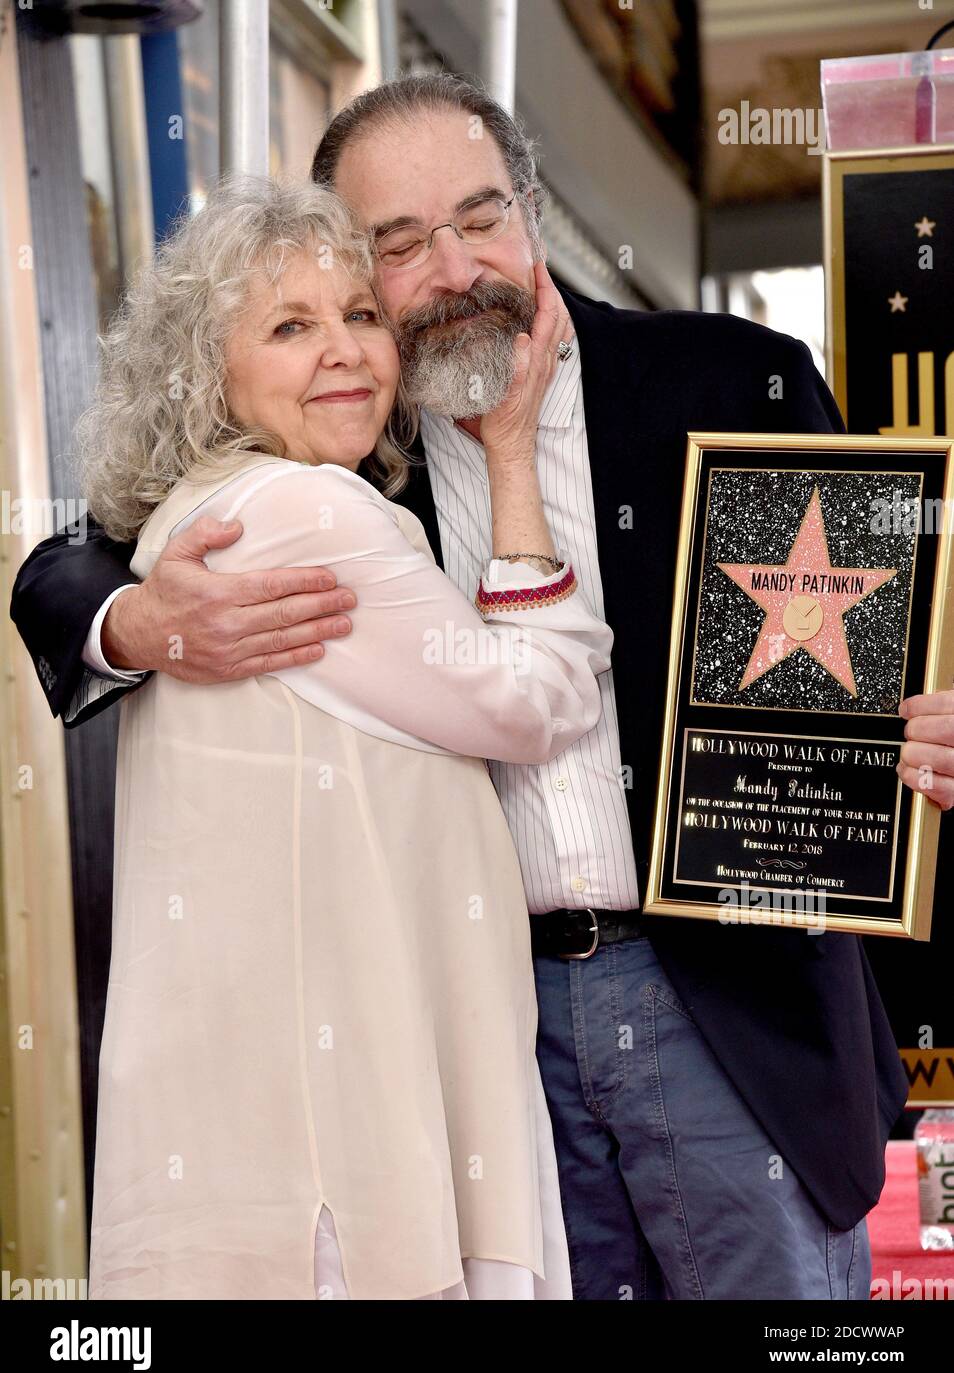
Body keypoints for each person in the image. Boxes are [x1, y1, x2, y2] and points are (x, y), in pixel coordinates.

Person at [14, 74, 953, 1300]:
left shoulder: (732, 381)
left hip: (734, 1010)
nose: (454, 269)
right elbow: (64, 558)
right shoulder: (347, 436)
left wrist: (926, 725)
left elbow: (873, 663)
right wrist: (132, 618)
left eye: (478, 217)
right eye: (399, 246)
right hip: (484, 1028)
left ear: (533, 208)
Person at [58, 173, 617, 1300]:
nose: (346, 351)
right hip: (340, 1169)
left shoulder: (210, 512)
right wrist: (512, 452)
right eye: (290, 326)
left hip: (281, 1147)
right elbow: (538, 701)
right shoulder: (304, 513)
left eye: (361, 315)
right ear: (206, 373)